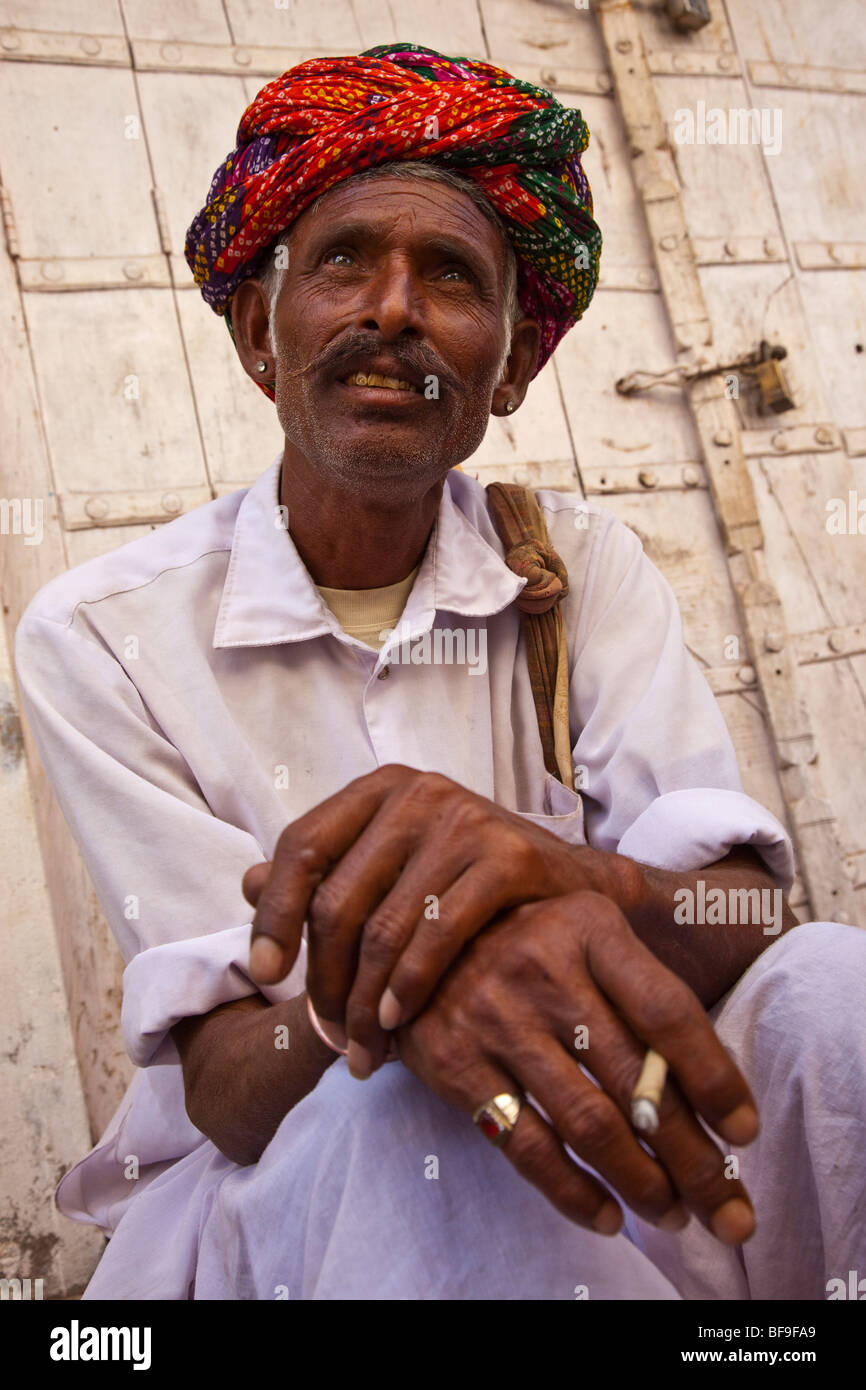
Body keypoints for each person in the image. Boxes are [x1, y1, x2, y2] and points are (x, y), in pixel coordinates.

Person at [14, 44, 865, 1301]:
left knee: (830, 992)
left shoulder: (580, 565)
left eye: (451, 275)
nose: (393, 310)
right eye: (345, 258)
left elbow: (743, 911)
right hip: (299, 1194)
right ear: (261, 329)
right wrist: (406, 993)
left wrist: (561, 874)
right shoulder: (99, 633)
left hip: (606, 1116)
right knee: (416, 1108)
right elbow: (231, 1084)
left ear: (511, 368)